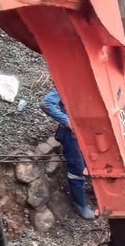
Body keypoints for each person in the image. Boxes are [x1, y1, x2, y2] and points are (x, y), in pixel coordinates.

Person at [41, 89, 95, 220]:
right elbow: (46, 104)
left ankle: (96, 194)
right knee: (77, 168)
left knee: (91, 163)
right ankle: (80, 205)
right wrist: (67, 120)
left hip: (88, 129)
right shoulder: (67, 83)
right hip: (71, 134)